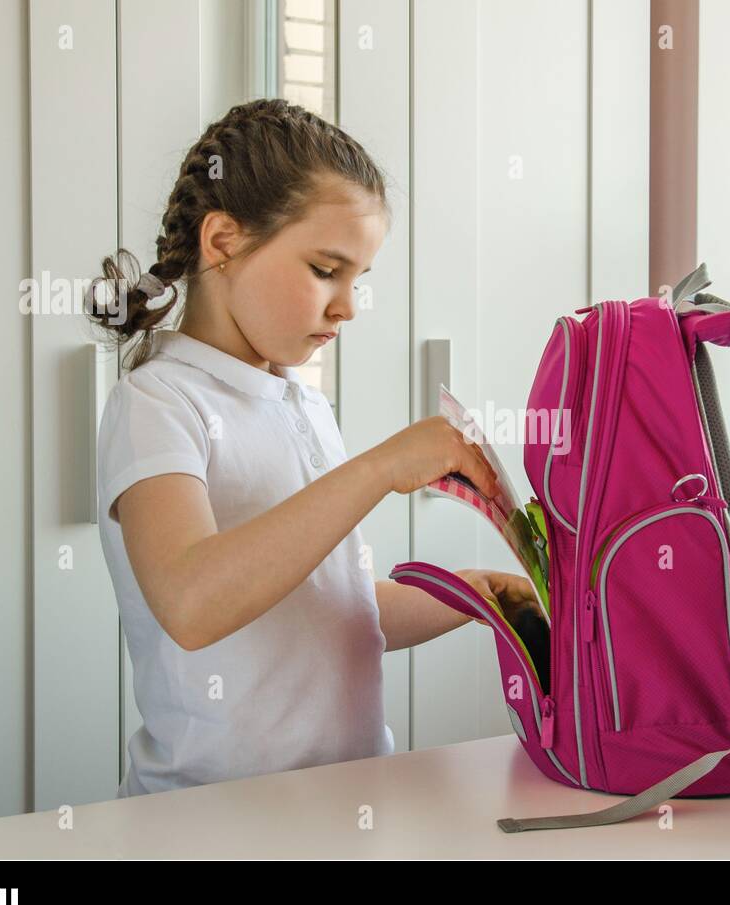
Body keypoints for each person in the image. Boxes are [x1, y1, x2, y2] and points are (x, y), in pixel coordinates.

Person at [85, 98, 536, 798]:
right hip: (207, 820)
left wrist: (473, 593)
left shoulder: (303, 403)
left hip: (340, 801)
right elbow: (192, 599)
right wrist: (379, 468)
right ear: (223, 240)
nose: (348, 305)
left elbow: (331, 607)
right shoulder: (157, 403)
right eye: (326, 269)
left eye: (359, 278)